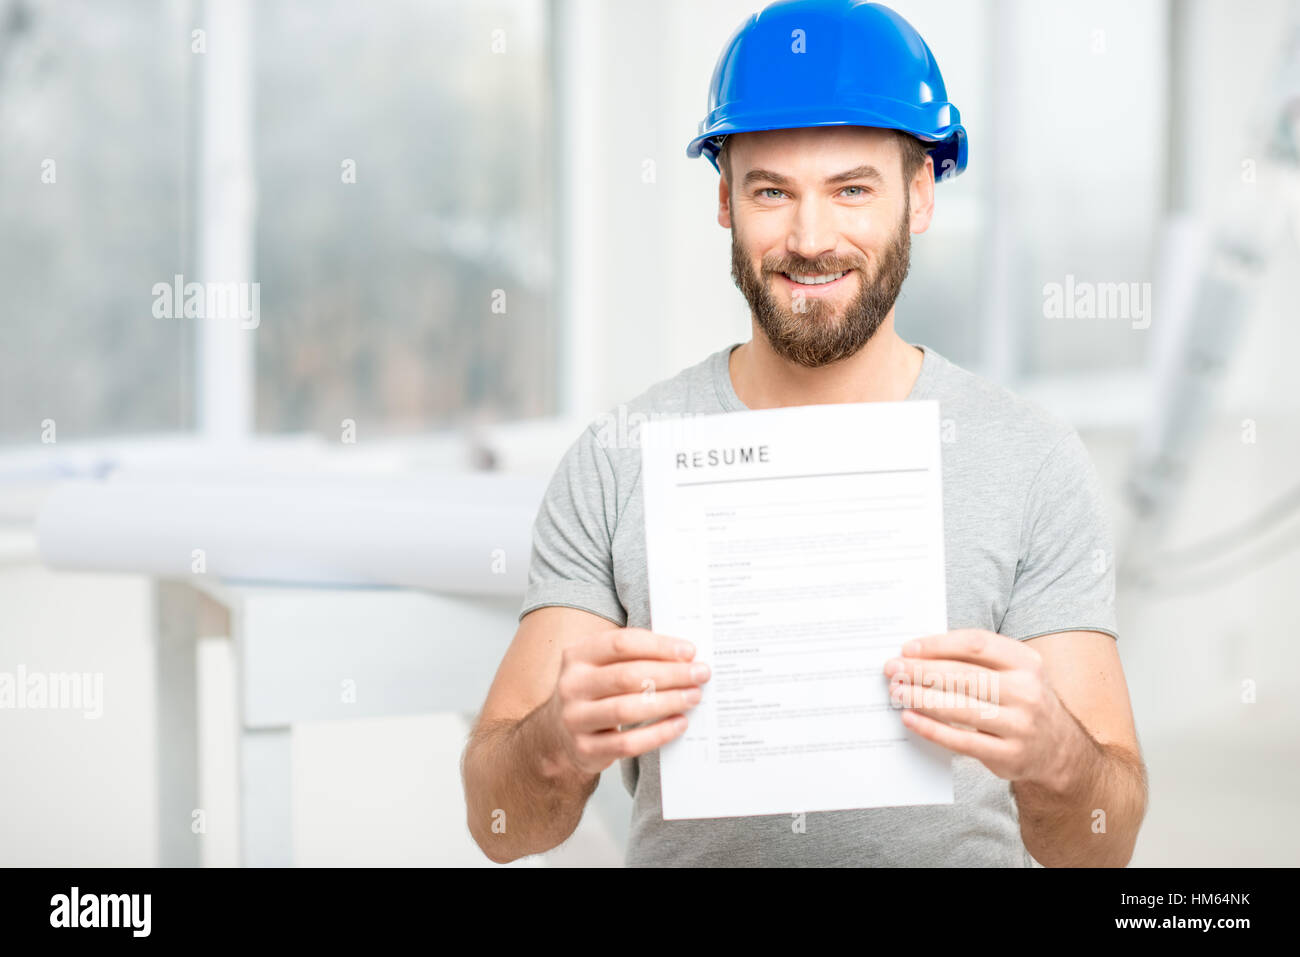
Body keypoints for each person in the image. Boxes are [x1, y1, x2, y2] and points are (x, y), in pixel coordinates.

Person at [462, 0, 1147, 867]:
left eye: (852, 189)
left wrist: (1054, 751)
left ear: (922, 194)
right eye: (772, 191)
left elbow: (1105, 842)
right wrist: (556, 739)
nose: (811, 238)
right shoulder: (617, 459)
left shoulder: (1030, 459)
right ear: (724, 200)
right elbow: (500, 823)